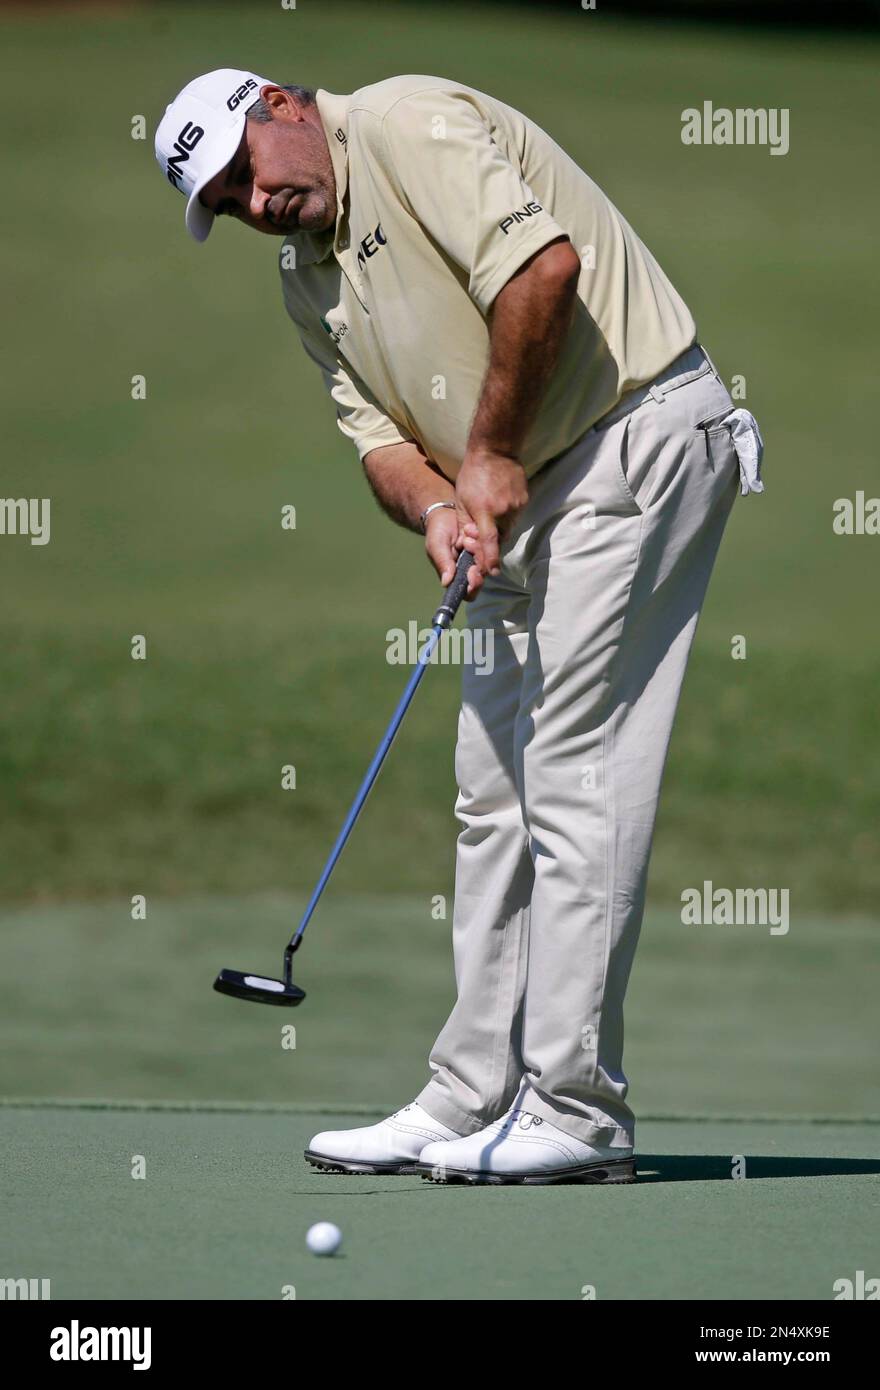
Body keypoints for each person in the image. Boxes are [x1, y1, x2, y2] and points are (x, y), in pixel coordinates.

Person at [155, 68, 763, 1185]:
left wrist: (483, 457)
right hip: (526, 492)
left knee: (574, 768)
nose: (252, 201)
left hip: (632, 440)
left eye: (246, 168)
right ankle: (471, 1090)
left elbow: (541, 272)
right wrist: (439, 503)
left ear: (286, 106)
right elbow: (379, 442)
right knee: (491, 790)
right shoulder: (308, 278)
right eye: (225, 201)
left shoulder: (400, 123)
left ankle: (576, 1110)